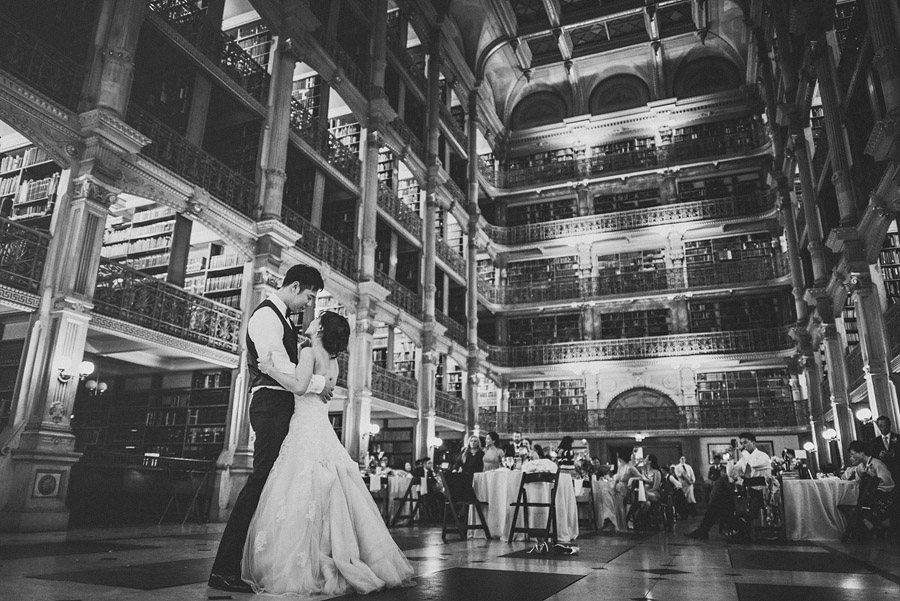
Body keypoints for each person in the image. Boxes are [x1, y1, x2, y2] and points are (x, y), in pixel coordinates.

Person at [243, 311, 413, 595]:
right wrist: (319, 384)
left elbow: (298, 386)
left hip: (303, 428)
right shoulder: (333, 360)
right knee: (332, 492)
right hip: (322, 427)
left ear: (320, 328)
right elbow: (323, 385)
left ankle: (301, 562)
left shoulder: (308, 352)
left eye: (315, 318)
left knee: (300, 488)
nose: (308, 320)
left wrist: (269, 369)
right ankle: (338, 551)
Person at [209, 265, 328, 593]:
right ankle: (223, 568)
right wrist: (320, 382)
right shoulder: (265, 317)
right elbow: (279, 368)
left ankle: (256, 561)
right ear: (293, 286)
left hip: (281, 404)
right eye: (308, 295)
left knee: (271, 483)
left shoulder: (284, 318)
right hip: (270, 405)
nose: (308, 303)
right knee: (260, 480)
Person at [686, 432, 771, 541]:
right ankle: (706, 530)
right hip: (746, 491)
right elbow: (732, 474)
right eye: (741, 443)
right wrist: (730, 459)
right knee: (720, 503)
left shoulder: (762, 456)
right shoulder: (744, 459)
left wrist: (742, 451)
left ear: (754, 443)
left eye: (745, 443)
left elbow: (753, 464)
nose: (743, 445)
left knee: (719, 500)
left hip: (759, 492)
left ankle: (707, 530)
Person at [841, 440, 895, 539]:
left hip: (882, 495)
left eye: (853, 454)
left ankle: (872, 527)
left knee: (858, 506)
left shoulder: (877, 464)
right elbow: (857, 482)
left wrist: (873, 489)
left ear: (862, 453)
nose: (851, 457)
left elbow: (888, 482)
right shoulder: (860, 467)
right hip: (868, 495)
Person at [868, 415, 900, 485]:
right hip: (883, 474)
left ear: (889, 425)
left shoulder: (898, 438)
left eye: (885, 426)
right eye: (881, 426)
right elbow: (872, 458)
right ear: (878, 427)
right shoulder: (874, 442)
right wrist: (879, 455)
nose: (884, 428)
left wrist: (895, 454)